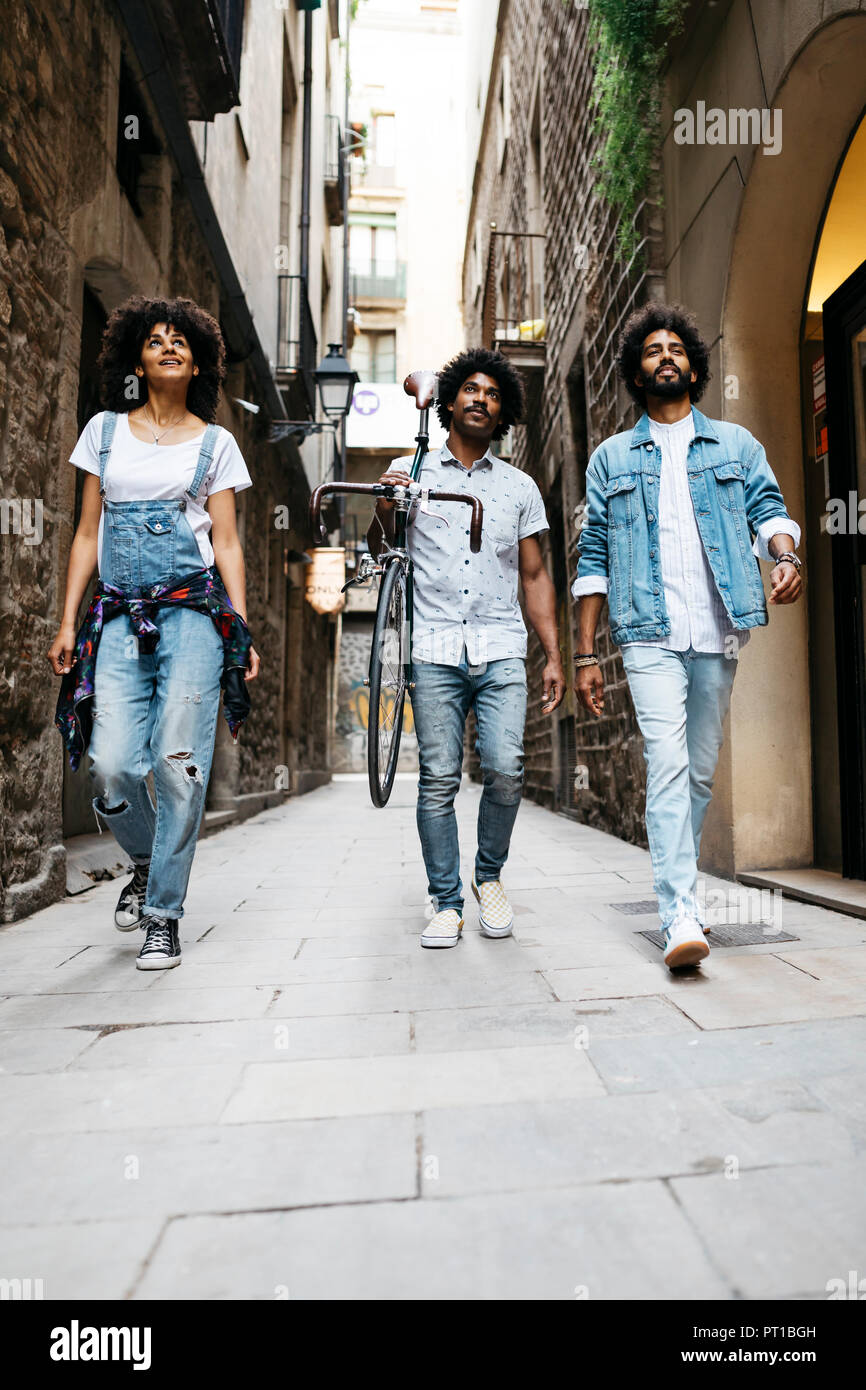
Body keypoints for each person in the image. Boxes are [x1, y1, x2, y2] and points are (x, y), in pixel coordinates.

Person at [573, 303, 802, 970]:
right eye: (652, 351)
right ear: (636, 373)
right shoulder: (612, 457)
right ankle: (678, 912)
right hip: (646, 634)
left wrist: (784, 557)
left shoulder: (735, 444)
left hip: (721, 630)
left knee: (697, 772)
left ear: (696, 369)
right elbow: (593, 560)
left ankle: (684, 895)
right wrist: (587, 653)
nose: (665, 356)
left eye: (676, 348)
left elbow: (768, 510)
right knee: (668, 764)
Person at [49, 296, 260, 970]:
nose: (167, 346)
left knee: (178, 765)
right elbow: (87, 533)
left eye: (180, 341)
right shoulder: (103, 433)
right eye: (155, 339)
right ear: (136, 357)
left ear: (197, 361)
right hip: (116, 615)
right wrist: (66, 618)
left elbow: (226, 543)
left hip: (195, 616)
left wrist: (242, 630)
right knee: (111, 765)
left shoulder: (216, 444)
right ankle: (145, 863)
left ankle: (163, 914)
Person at [368, 347, 565, 949]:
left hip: (501, 643)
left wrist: (554, 653)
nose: (481, 399)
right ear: (450, 400)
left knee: (506, 769)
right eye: (471, 390)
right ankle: (446, 902)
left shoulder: (520, 487)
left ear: (502, 412)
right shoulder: (411, 467)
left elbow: (534, 575)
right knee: (437, 780)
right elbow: (384, 549)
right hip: (432, 645)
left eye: (493, 394)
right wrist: (385, 504)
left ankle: (489, 877)